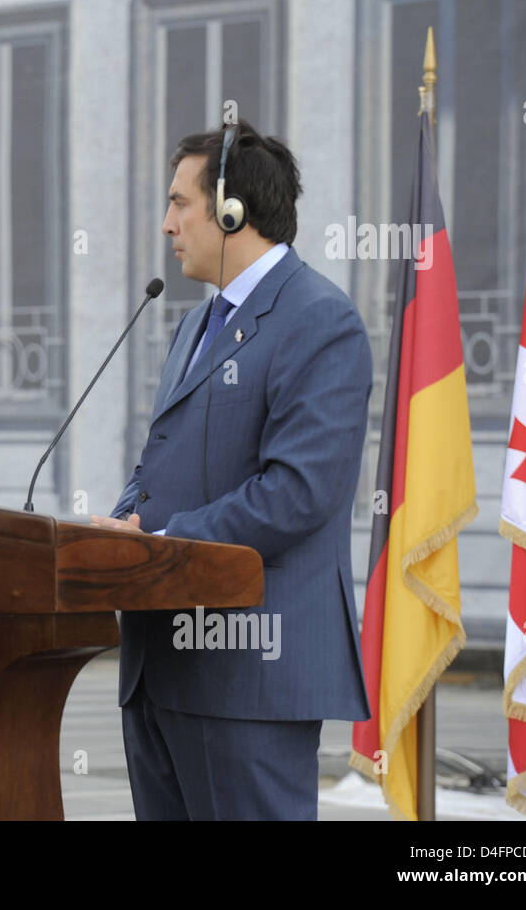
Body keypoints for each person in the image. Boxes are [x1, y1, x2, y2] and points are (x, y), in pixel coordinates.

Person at [89, 120, 372, 820]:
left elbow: (297, 491)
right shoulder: (193, 324)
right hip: (160, 667)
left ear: (232, 210)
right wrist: (127, 521)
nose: (166, 224)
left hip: (249, 674)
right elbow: (159, 461)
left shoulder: (321, 321)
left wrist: (161, 545)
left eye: (180, 203)